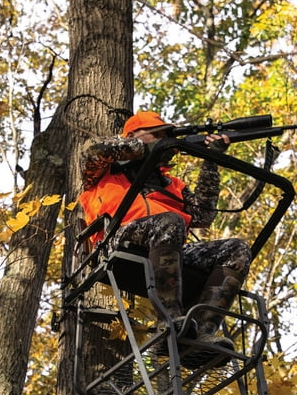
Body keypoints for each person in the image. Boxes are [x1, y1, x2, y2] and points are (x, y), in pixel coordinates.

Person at [78, 110, 251, 360]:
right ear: (132, 135)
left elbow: (203, 216)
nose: (164, 139)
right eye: (156, 133)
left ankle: (199, 334)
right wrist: (149, 146)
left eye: (166, 135)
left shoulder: (172, 184)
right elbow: (91, 149)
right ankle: (169, 320)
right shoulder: (106, 169)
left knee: (236, 250)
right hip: (116, 241)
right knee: (170, 221)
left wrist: (211, 160)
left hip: (167, 247)